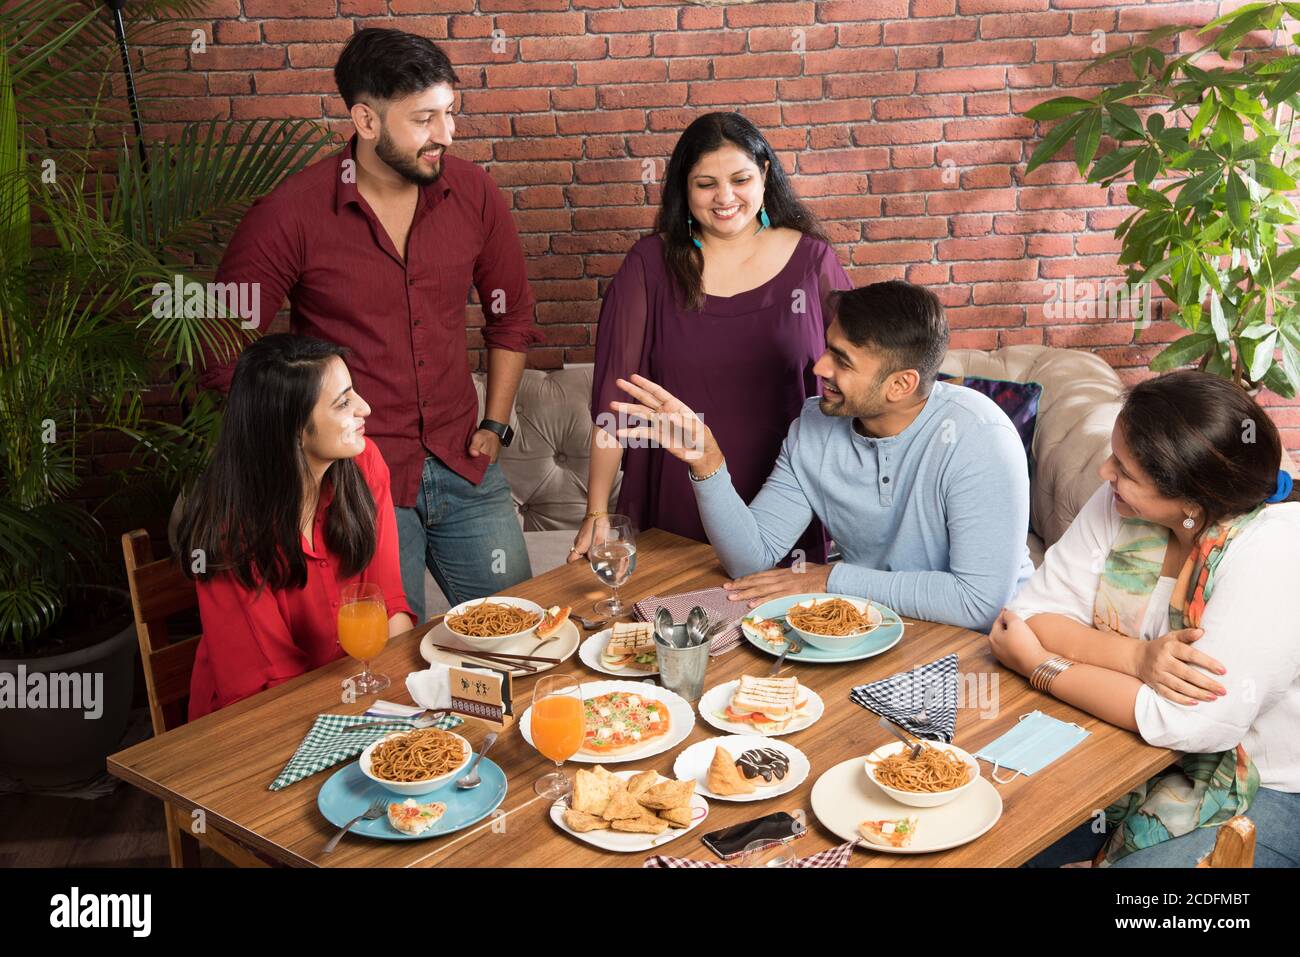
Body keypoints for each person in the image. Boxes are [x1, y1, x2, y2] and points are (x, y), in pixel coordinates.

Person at [199, 28, 541, 620]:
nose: (447, 135)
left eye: (450, 113)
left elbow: (510, 318)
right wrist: (304, 457)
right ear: (365, 120)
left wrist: (497, 421)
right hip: (356, 485)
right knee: (384, 670)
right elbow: (219, 354)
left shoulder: (474, 193)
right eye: (424, 119)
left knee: (522, 636)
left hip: (465, 462)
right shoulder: (292, 213)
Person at [991, 370, 1300, 867]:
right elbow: (1031, 615)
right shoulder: (1123, 502)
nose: (1104, 472)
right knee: (995, 834)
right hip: (1129, 750)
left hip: (1267, 785)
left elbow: (1192, 724)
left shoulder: (1274, 555)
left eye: (1126, 470)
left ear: (1192, 502)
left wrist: (1040, 666)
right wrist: (1135, 658)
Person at [607, 281, 1034, 632]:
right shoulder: (814, 426)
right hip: (869, 626)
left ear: (901, 385)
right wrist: (708, 464)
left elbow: (977, 603)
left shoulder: (980, 439)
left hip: (990, 643)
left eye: (842, 361)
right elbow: (751, 561)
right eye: (828, 347)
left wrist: (831, 579)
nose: (819, 368)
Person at [572, 111, 852, 567]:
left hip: (786, 493)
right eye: (706, 184)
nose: (725, 198)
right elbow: (613, 403)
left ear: (763, 174)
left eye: (740, 179)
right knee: (676, 628)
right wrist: (598, 510)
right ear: (684, 187)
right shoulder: (649, 265)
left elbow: (857, 375)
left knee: (784, 632)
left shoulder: (813, 260)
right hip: (675, 488)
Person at [178, 335, 412, 720]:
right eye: (343, 403)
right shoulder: (230, 528)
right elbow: (268, 686)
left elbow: (388, 608)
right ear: (294, 429)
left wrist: (413, 699)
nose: (365, 408)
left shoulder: (365, 466)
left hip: (350, 695)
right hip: (256, 723)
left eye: (354, 393)